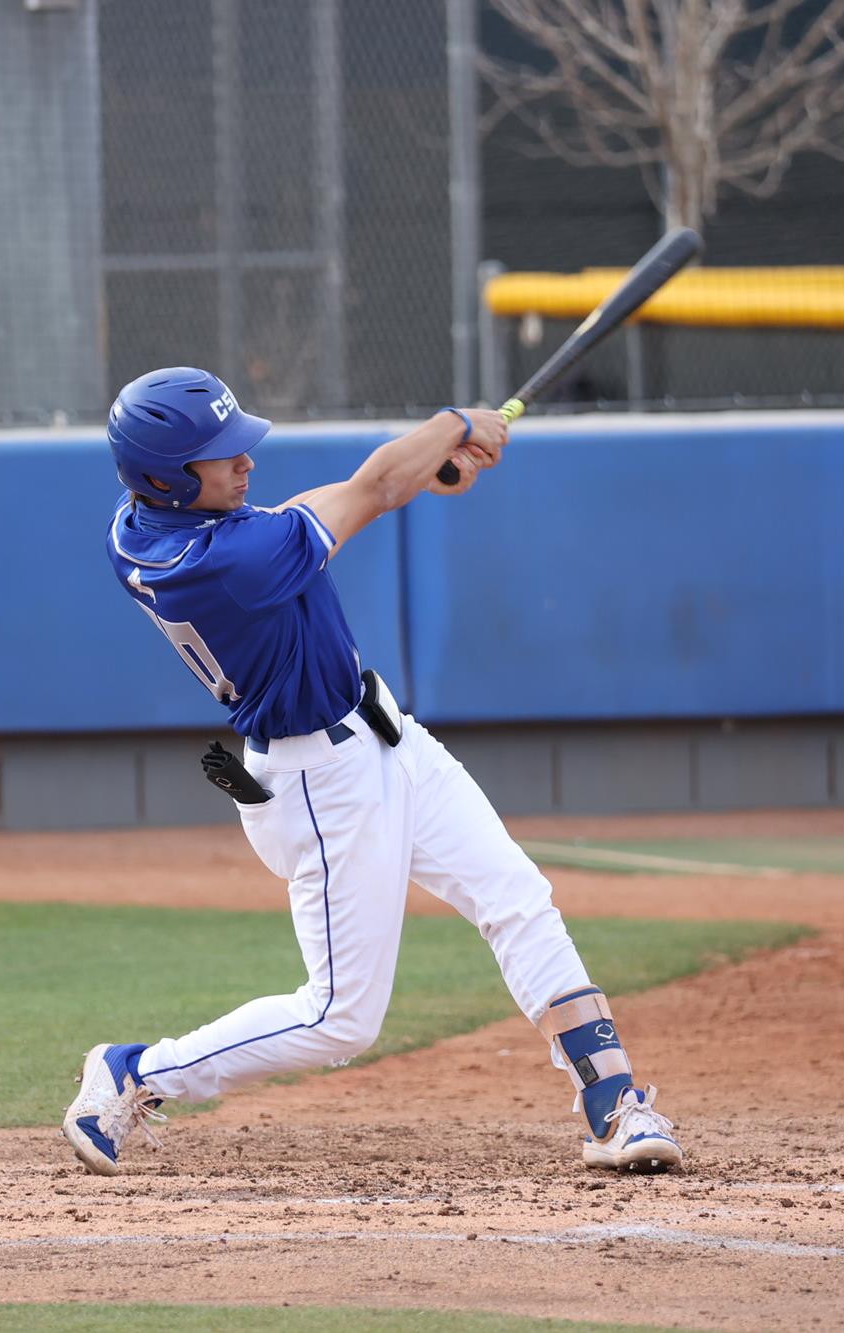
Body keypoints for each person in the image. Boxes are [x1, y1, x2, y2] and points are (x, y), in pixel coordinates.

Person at [63, 368, 684, 1176]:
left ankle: (617, 1107)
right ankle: (137, 1072)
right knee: (341, 1017)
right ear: (166, 477)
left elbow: (341, 497)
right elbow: (371, 487)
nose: (245, 462)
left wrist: (434, 460)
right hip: (321, 784)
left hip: (385, 736)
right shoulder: (223, 564)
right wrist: (453, 422)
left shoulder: (144, 523)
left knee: (516, 898)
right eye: (220, 456)